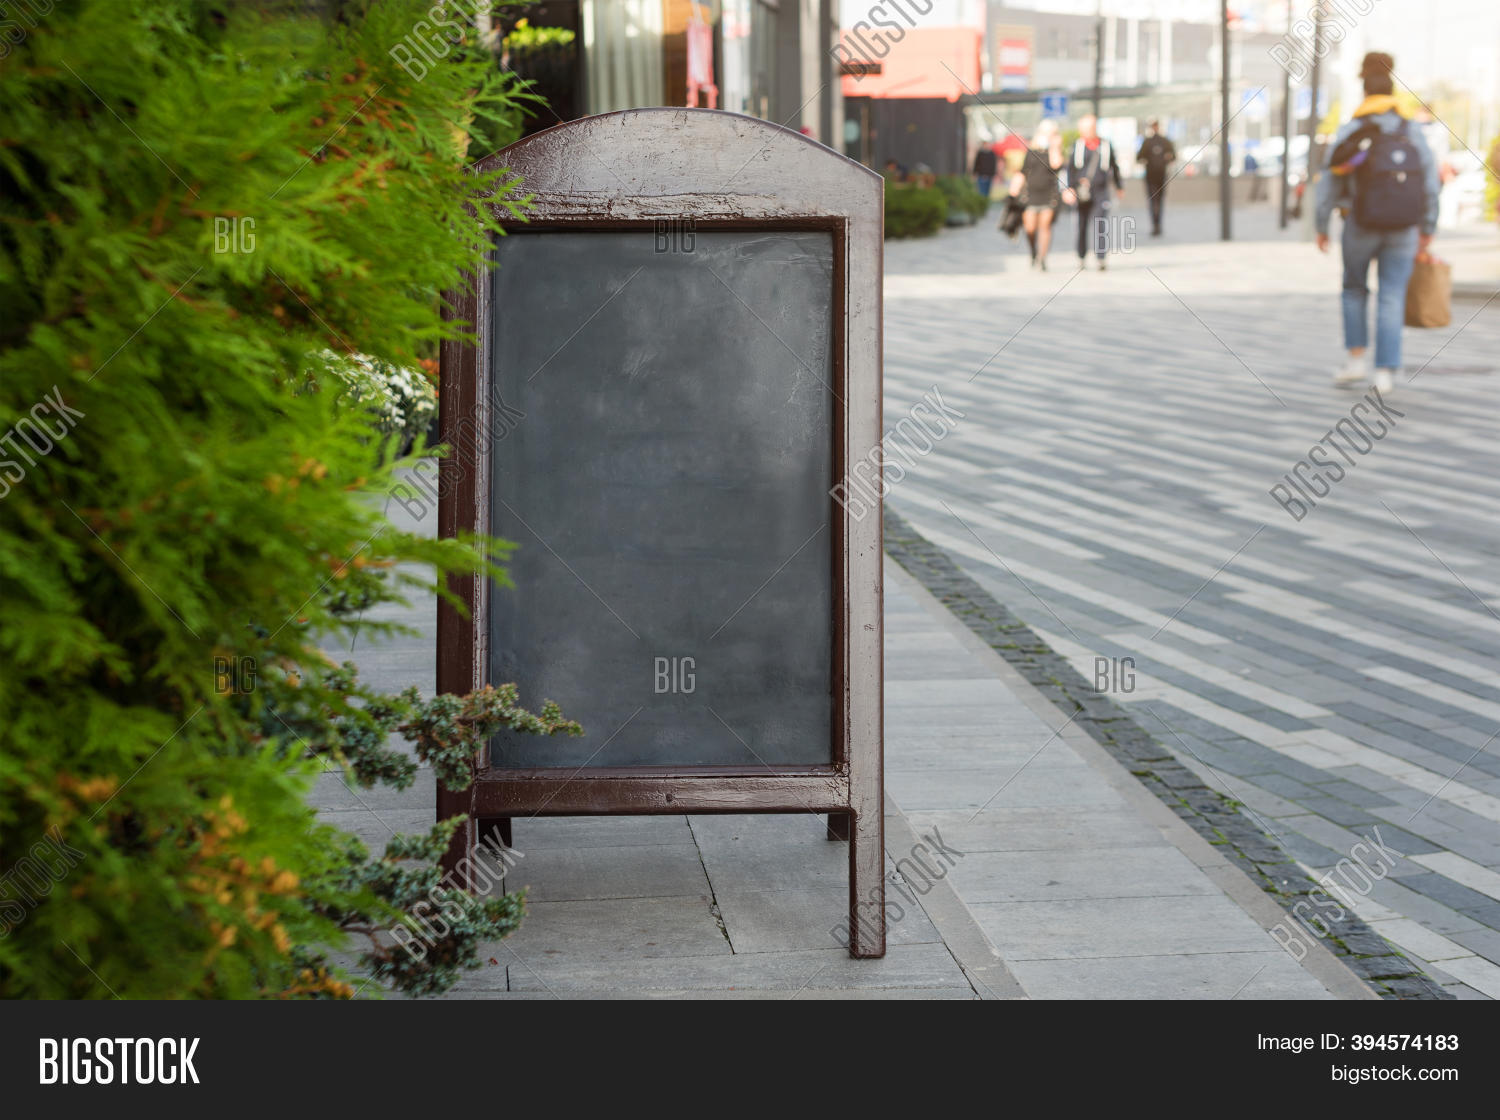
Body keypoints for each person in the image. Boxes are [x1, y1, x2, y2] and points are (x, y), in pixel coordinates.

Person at [1315, 51, 1438, 394]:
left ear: (1365, 91)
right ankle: (1384, 372)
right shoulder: (1411, 130)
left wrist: (1322, 225)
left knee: (1354, 289)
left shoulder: (1354, 129)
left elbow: (1329, 181)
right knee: (1392, 295)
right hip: (1404, 228)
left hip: (1360, 223)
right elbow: (1430, 183)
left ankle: (1356, 361)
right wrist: (1428, 227)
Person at [1064, 115, 1124, 269]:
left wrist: (1119, 186)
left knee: (1100, 224)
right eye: (1084, 128)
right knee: (1081, 224)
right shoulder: (1077, 146)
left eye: (1090, 128)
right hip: (1081, 192)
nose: (1087, 131)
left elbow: (1114, 167)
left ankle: (1101, 258)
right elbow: (1070, 169)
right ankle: (1081, 256)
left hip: (1100, 191)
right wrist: (1070, 188)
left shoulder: (1105, 145)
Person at [1009, 120, 1064, 270]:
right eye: (1045, 133)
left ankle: (1042, 258)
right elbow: (1023, 171)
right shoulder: (1031, 152)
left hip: (1049, 195)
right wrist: (1014, 188)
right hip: (1031, 195)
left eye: (1051, 133)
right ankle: (1033, 251)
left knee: (1045, 226)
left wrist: (1054, 146)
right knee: (1030, 228)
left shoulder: (1055, 152)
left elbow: (1056, 165)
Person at [1136, 119, 1175, 236]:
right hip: (1152, 176)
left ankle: (1157, 225)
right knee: (1155, 201)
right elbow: (1139, 158)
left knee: (1157, 201)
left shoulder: (1163, 141)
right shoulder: (1148, 142)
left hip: (1160, 176)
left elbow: (1173, 156)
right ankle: (1155, 225)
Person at [972, 143, 998, 209]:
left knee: (987, 192)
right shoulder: (980, 154)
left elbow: (994, 165)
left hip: (989, 176)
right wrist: (975, 173)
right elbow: (976, 164)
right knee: (981, 192)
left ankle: (985, 205)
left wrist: (994, 174)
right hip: (981, 175)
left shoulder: (992, 154)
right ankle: (981, 205)